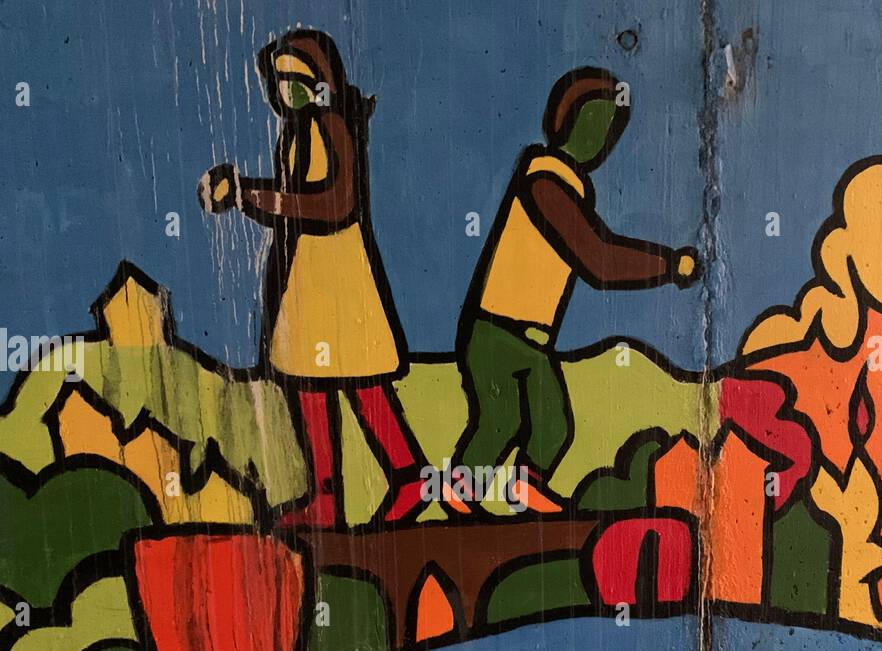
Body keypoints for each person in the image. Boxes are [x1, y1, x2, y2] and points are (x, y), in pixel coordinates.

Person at [199, 29, 426, 529]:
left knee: (360, 381)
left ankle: (408, 476)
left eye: (296, 78)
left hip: (336, 274)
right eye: (279, 79)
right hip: (306, 276)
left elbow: (335, 203)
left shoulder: (333, 126)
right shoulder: (298, 133)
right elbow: (291, 204)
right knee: (309, 385)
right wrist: (245, 194)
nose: (285, 89)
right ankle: (326, 494)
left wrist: (250, 196)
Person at [448, 67, 700, 515]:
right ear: (566, 123)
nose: (601, 138)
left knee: (553, 427)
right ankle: (459, 496)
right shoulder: (543, 181)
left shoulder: (568, 186)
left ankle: (523, 490)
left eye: (609, 129)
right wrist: (667, 265)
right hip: (496, 333)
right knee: (500, 420)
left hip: (531, 340)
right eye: (594, 123)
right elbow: (596, 258)